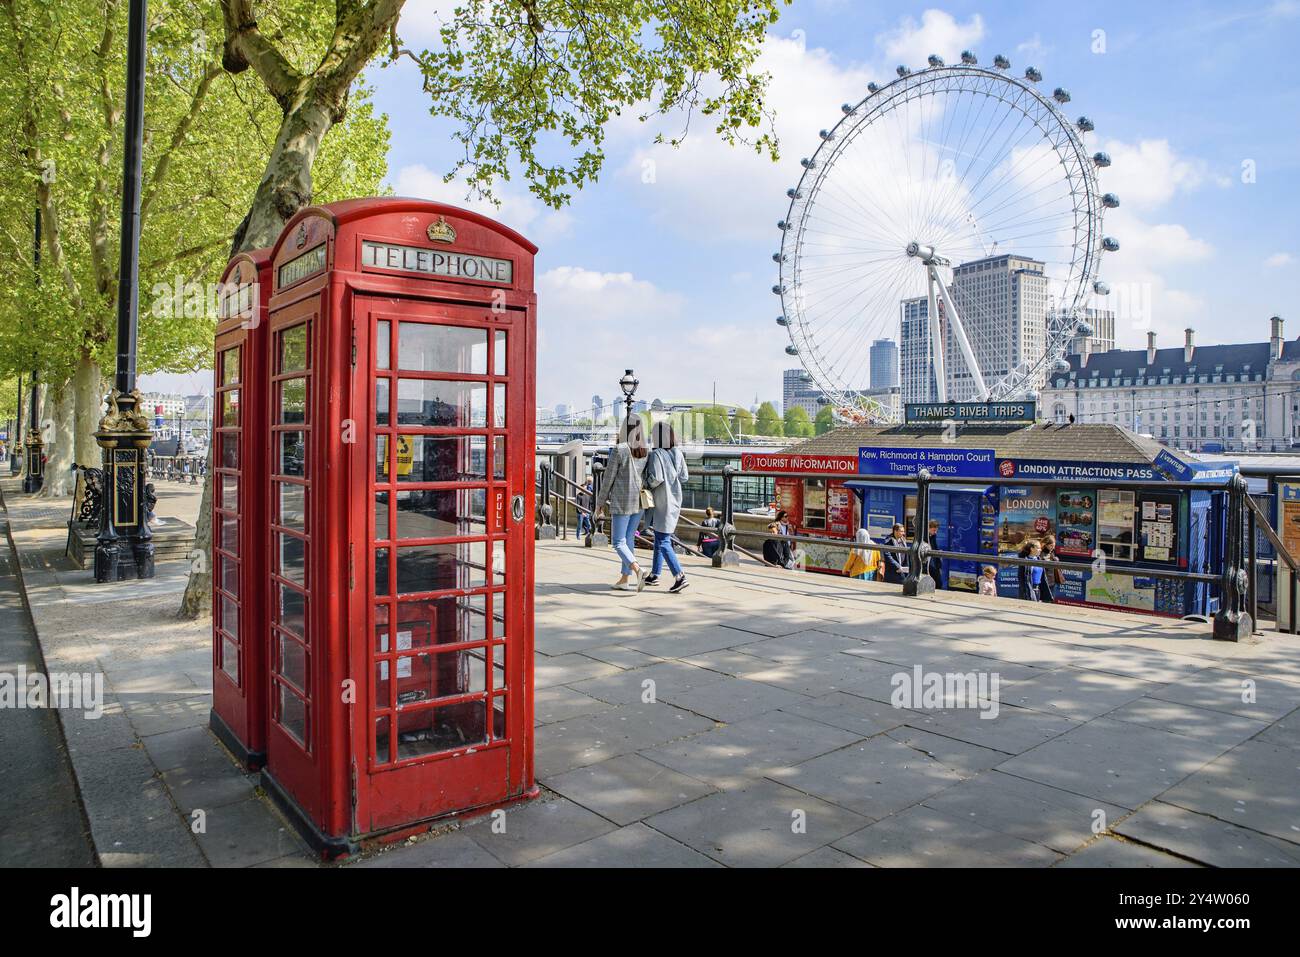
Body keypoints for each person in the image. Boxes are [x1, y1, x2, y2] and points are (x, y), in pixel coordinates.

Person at [594, 417, 649, 591]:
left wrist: (600, 503)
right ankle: (625, 579)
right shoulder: (645, 450)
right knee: (629, 539)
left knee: (618, 542)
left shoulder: (619, 450)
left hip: (622, 500)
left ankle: (638, 569)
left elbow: (608, 479)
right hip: (639, 502)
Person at [644, 420, 690, 593]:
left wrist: (645, 484)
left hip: (662, 501)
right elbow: (684, 477)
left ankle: (680, 576)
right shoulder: (678, 453)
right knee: (659, 537)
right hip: (676, 500)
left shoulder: (656, 455)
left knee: (663, 540)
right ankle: (655, 574)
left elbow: (656, 478)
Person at [1039, 535, 1064, 603]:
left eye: (1054, 546)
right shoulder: (1041, 553)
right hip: (1045, 581)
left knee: (1051, 599)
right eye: (1051, 546)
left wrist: (1056, 560)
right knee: (1045, 600)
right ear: (1046, 545)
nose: (1053, 548)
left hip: (1052, 580)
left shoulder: (1051, 552)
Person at [926, 519, 943, 586]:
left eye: (936, 530)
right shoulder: (924, 537)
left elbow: (935, 547)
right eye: (934, 530)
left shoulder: (933, 536)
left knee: (939, 583)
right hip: (928, 564)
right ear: (928, 529)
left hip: (935, 564)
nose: (935, 532)